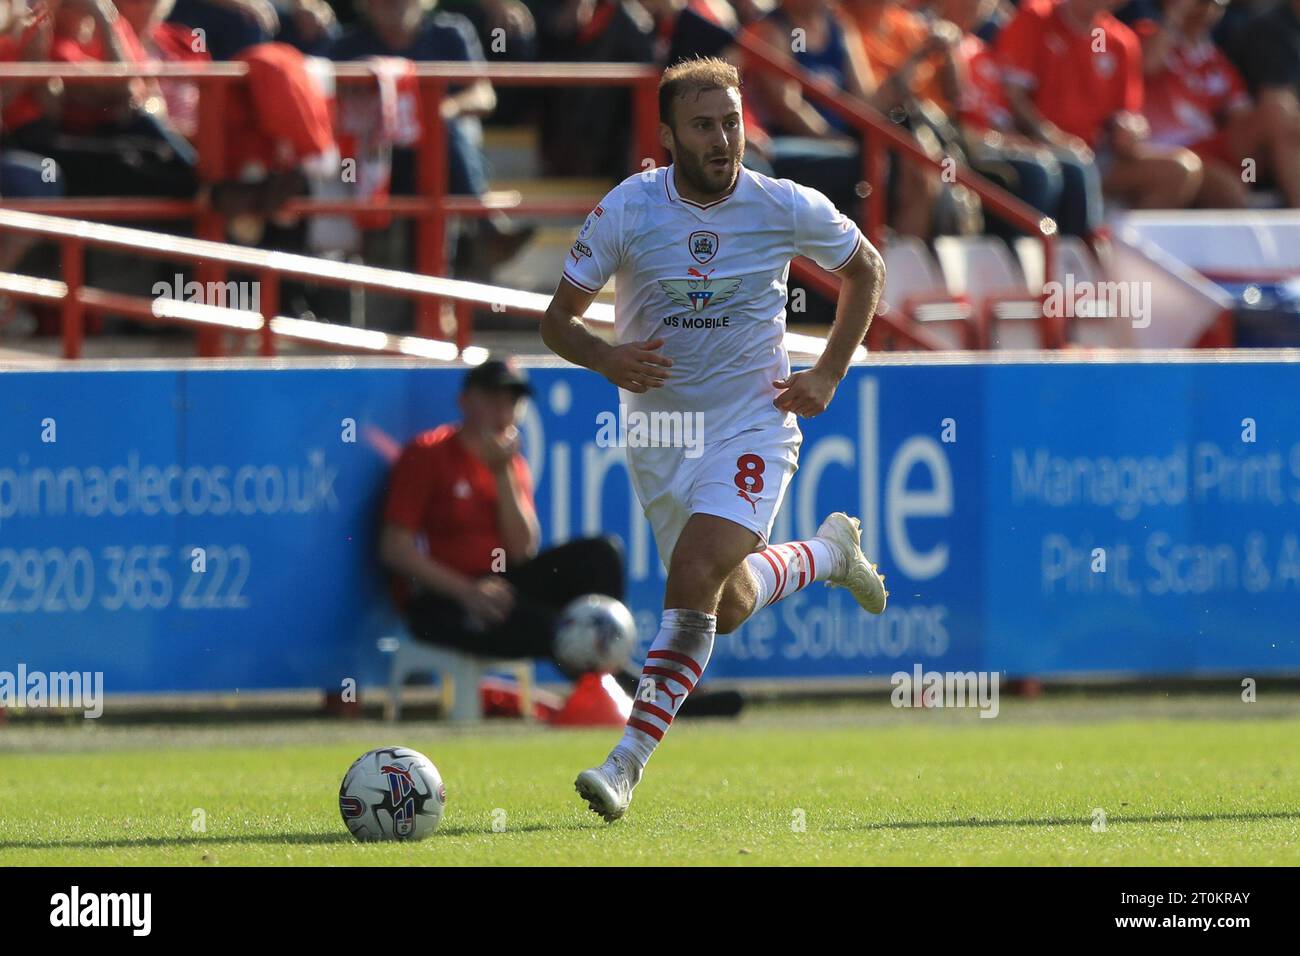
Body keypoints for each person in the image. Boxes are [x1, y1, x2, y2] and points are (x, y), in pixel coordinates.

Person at [541, 57, 889, 823]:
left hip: (752, 420)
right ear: (667, 135)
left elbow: (865, 269)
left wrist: (829, 371)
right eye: (703, 125)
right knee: (721, 605)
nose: (722, 138)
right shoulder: (631, 209)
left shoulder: (780, 204)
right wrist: (606, 357)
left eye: (731, 121)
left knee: (695, 570)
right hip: (661, 432)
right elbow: (556, 320)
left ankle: (626, 762)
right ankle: (830, 554)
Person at [379, 357, 626, 666]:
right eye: (492, 398)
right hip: (443, 599)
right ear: (465, 401)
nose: (503, 410)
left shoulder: (512, 465)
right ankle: (605, 678)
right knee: (557, 629)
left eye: (512, 401)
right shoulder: (428, 454)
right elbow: (394, 550)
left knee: (602, 555)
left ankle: (608, 673)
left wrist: (502, 473)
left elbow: (522, 550)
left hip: (500, 586)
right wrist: (467, 591)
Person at [996, 0, 1203, 209]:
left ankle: (1116, 235)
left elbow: (1128, 115)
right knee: (1061, 167)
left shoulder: (1119, 40)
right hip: (1039, 147)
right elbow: (1014, 97)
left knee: (1181, 169)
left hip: (1096, 153)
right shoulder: (1035, 17)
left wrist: (1130, 130)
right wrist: (1051, 136)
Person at [1139, 0, 1300, 208]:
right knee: (1231, 192)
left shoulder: (1218, 61)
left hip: (1209, 151)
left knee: (1279, 114)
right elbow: (1148, 65)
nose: (1208, 7)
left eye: (1216, 2)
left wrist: (1252, 164)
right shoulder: (1146, 35)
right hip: (1164, 152)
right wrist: (1175, 15)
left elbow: (1245, 118)